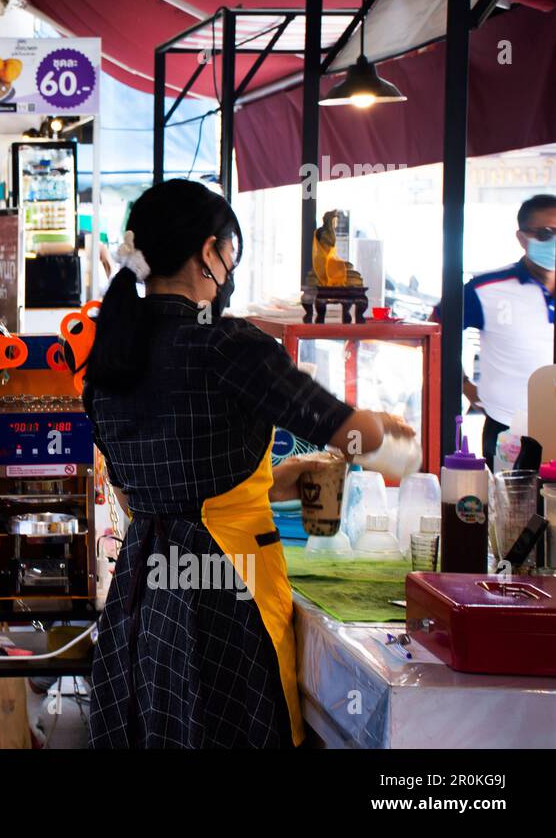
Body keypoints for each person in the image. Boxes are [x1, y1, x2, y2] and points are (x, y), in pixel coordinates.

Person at [84, 179, 413, 748]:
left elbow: (172, 486)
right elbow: (350, 431)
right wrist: (392, 434)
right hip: (229, 591)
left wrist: (290, 477)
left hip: (143, 589)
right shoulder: (228, 345)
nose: (231, 269)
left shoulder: (111, 360)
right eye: (231, 253)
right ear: (209, 253)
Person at [440, 194, 556, 466]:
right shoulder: (486, 288)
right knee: (510, 507)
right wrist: (465, 385)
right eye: (546, 233)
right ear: (522, 238)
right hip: (508, 430)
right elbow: (437, 334)